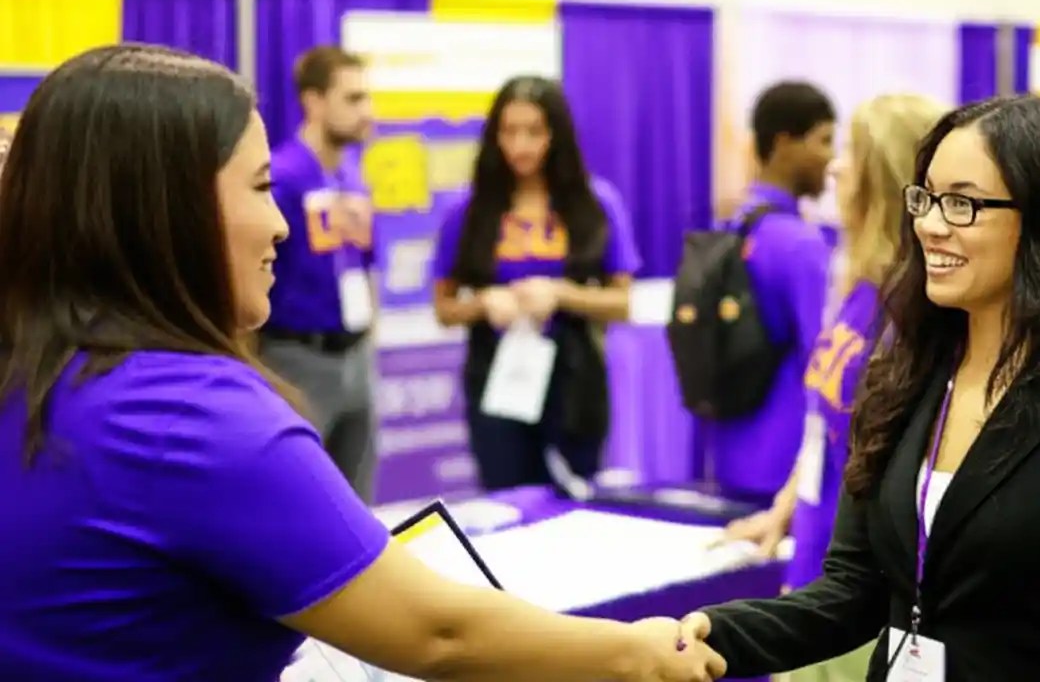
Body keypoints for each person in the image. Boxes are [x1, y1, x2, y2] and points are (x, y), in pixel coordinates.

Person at [0, 43, 725, 682]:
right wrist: (638, 654)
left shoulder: (36, 367)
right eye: (259, 189)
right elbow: (438, 634)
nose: (281, 222)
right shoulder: (196, 417)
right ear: (170, 209)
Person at [678, 95, 1040, 681]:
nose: (928, 224)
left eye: (962, 203)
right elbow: (852, 593)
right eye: (925, 198)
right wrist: (719, 632)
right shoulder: (903, 378)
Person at [718, 94, 945, 681]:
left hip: (860, 606)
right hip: (814, 578)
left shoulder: (918, 313)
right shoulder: (860, 289)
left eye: (851, 151)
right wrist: (787, 508)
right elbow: (827, 421)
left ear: (885, 175)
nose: (837, 167)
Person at [432, 75, 641, 493]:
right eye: (509, 132)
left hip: (576, 377)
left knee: (579, 499)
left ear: (556, 135)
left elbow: (622, 303)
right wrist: (485, 304)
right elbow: (444, 308)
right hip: (497, 375)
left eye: (534, 132)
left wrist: (560, 293)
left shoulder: (596, 203)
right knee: (507, 499)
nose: (521, 146)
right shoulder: (468, 209)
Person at [698, 81, 835, 504]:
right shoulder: (801, 243)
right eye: (823, 140)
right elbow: (824, 359)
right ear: (784, 143)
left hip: (725, 450)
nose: (831, 158)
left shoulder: (728, 225)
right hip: (784, 460)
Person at [258, 45, 379, 502]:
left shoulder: (353, 175)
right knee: (297, 496)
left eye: (367, 97)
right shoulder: (281, 176)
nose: (367, 111)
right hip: (297, 360)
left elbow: (368, 267)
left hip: (356, 357)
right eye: (353, 99)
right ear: (313, 102)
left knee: (358, 501)